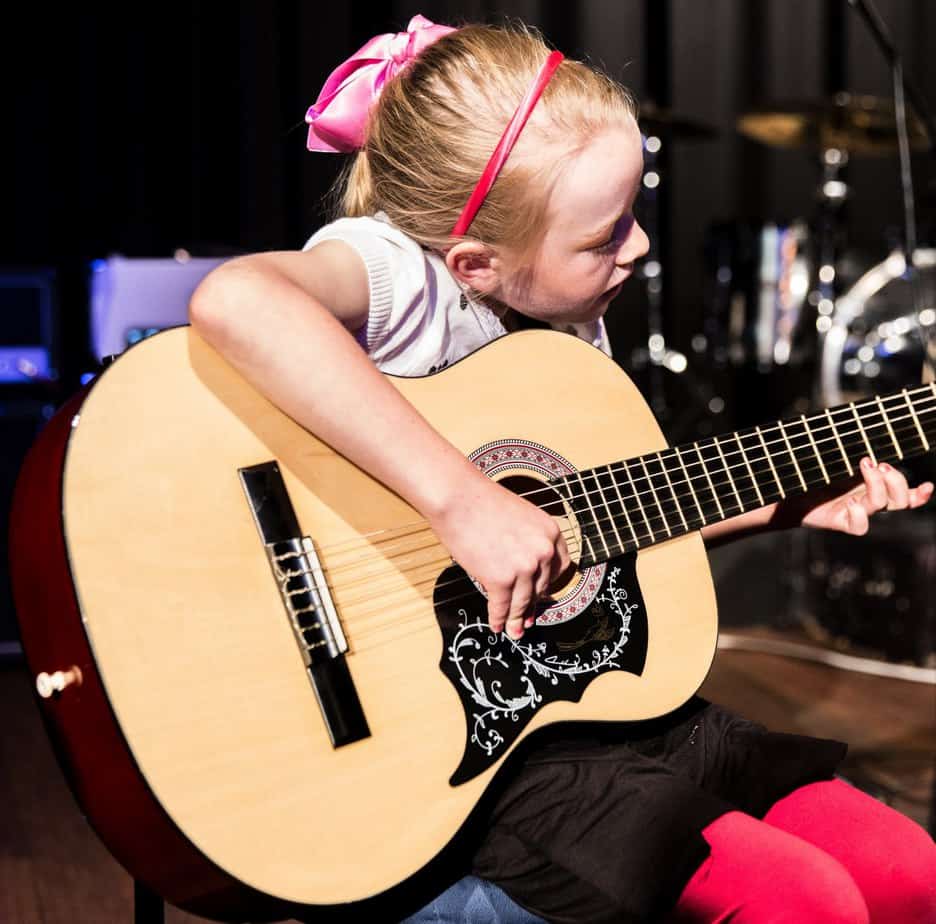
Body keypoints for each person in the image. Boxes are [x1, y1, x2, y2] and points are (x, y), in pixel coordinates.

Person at [188, 14, 936, 924]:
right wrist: (460, 501)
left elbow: (588, 518)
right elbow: (236, 299)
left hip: (579, 692)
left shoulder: (568, 324)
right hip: (463, 739)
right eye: (604, 235)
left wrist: (780, 505)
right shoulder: (401, 274)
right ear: (476, 261)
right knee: (801, 901)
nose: (639, 248)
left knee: (904, 871)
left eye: (634, 218)